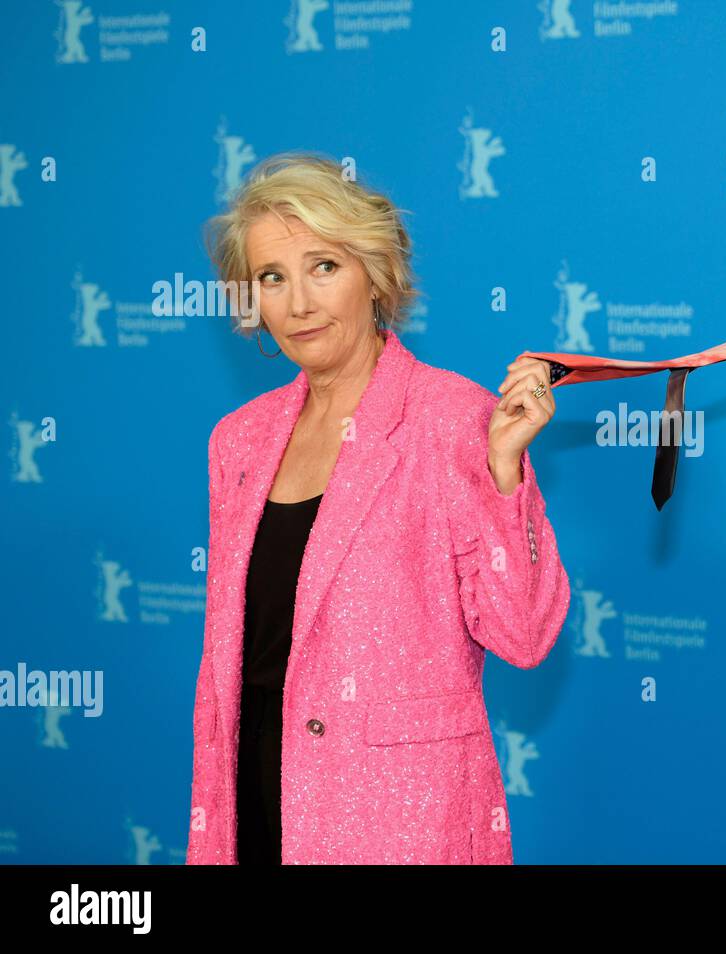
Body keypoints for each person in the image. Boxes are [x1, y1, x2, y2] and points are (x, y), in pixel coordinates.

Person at [186, 152, 570, 864]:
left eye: (323, 267)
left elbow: (523, 634)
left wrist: (505, 472)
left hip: (403, 823)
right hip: (255, 808)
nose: (298, 302)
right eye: (272, 277)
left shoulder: (456, 421)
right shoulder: (238, 442)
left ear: (375, 273)